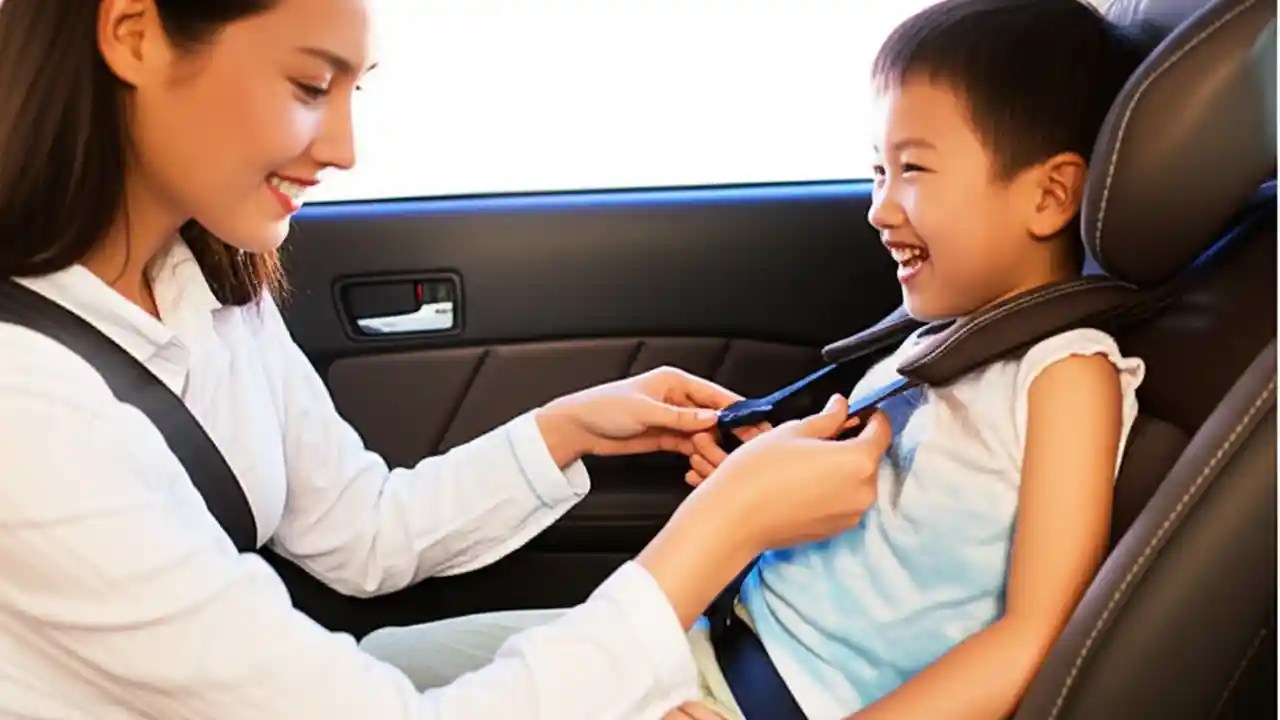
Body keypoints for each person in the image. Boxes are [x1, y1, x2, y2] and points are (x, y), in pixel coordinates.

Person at [0, 1, 895, 718]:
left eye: (356, 89)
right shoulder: (30, 415)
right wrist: (727, 526)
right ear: (134, 34)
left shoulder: (202, 281)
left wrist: (567, 429)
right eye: (311, 83)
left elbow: (363, 533)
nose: (345, 148)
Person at [368, 1, 1152, 719]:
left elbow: (1036, 637)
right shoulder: (936, 340)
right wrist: (763, 498)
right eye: (878, 170)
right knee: (379, 670)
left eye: (912, 170)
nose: (878, 207)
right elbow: (892, 541)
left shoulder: (1067, 374)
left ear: (1050, 197)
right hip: (708, 642)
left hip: (780, 702)